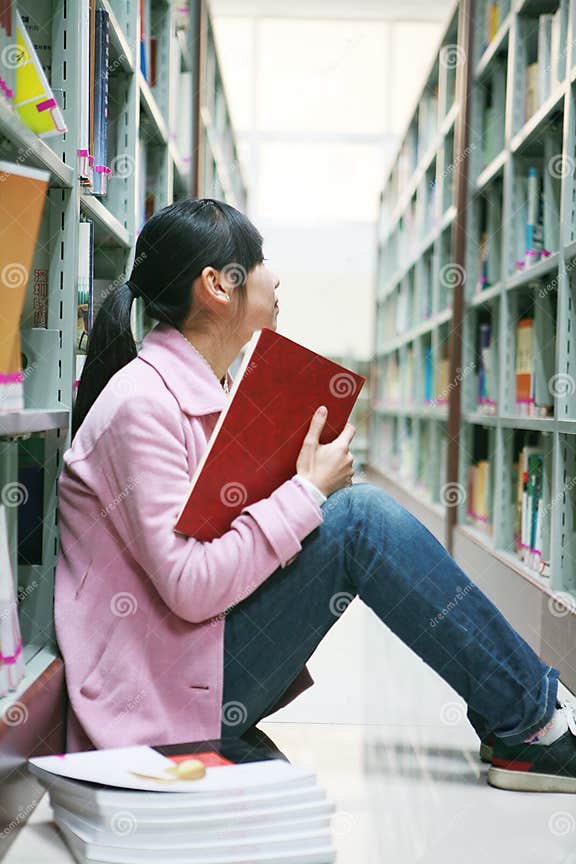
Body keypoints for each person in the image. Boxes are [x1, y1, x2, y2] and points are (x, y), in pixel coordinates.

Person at [55, 198, 576, 794]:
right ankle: (533, 726)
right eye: (259, 263)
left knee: (354, 514)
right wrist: (305, 491)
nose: (275, 278)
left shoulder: (208, 386)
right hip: (157, 691)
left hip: (193, 656)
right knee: (359, 519)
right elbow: (190, 585)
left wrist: (295, 488)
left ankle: (517, 714)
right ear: (217, 287)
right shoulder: (142, 405)